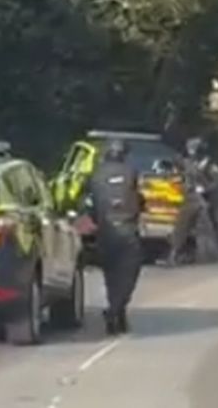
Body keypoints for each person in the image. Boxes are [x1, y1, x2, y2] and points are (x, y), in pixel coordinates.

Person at [83, 138, 144, 335]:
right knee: (128, 274)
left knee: (111, 275)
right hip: (127, 230)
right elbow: (140, 199)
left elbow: (89, 204)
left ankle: (117, 313)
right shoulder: (132, 172)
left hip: (105, 232)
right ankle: (116, 310)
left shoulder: (95, 175)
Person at [166, 136, 218, 266]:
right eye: (190, 148)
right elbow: (176, 170)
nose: (191, 151)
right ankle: (172, 257)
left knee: (211, 230)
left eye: (194, 149)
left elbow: (217, 183)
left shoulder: (209, 165)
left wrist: (205, 188)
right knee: (180, 229)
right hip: (189, 199)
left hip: (202, 200)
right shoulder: (186, 163)